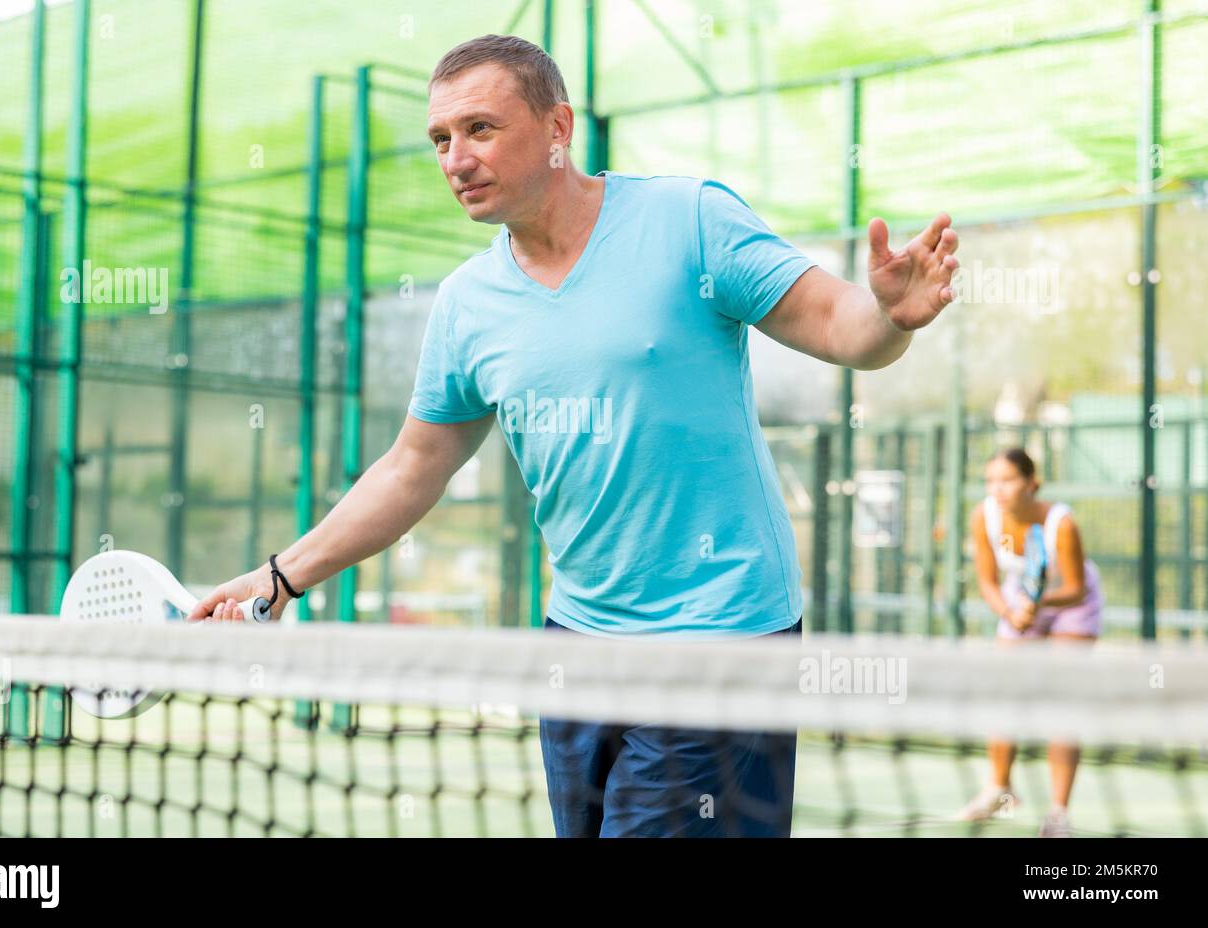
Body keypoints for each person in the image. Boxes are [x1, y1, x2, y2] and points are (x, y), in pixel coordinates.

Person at [188, 35, 960, 836]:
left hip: (721, 637)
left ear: (557, 127)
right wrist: (280, 577)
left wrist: (890, 317)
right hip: (579, 646)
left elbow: (840, 325)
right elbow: (413, 467)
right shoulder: (467, 305)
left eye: (480, 129)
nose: (456, 159)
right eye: (441, 139)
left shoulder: (690, 220)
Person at [959, 447, 1104, 838]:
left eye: (1007, 480)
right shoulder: (984, 516)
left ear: (1032, 484)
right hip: (1019, 599)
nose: (997, 489)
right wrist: (1010, 613)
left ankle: (1058, 814)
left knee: (1062, 702)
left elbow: (1075, 588)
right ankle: (1000, 789)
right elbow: (987, 581)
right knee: (1002, 691)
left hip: (1072, 606)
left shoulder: (1062, 523)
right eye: (990, 481)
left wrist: (1037, 603)